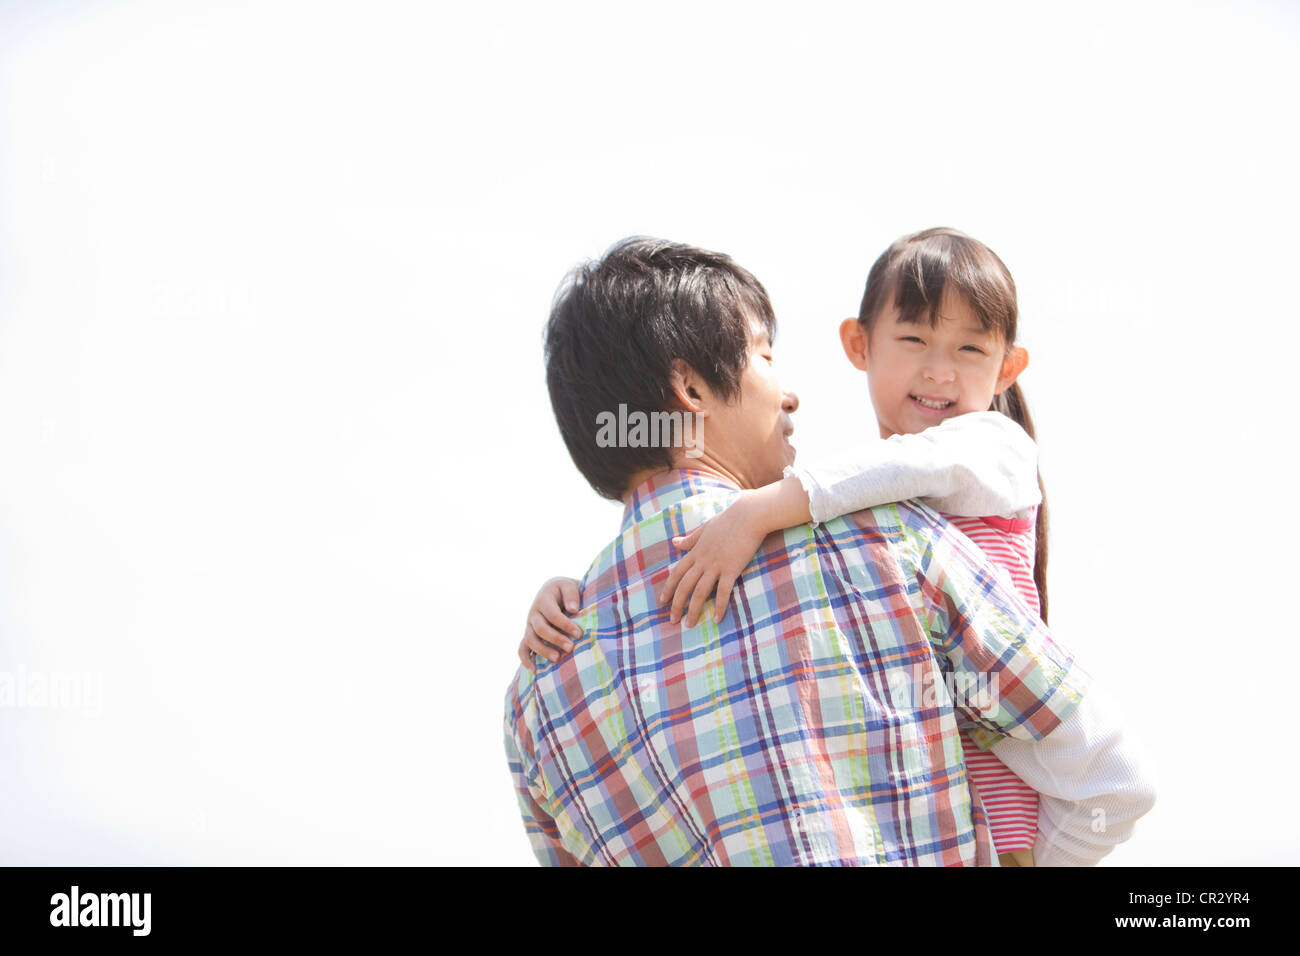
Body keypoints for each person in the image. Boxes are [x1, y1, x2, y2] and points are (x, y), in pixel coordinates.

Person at [503, 236, 1155, 866]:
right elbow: (1114, 781)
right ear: (691, 391)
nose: (789, 394)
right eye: (764, 357)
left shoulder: (536, 693)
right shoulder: (885, 539)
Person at [636, 227, 1050, 865]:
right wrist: (570, 595)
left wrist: (756, 511)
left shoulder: (993, 445)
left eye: (971, 348)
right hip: (927, 770)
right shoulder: (862, 489)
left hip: (1001, 778)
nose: (939, 369)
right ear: (859, 344)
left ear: (1008, 368)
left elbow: (893, 472)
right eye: (914, 339)